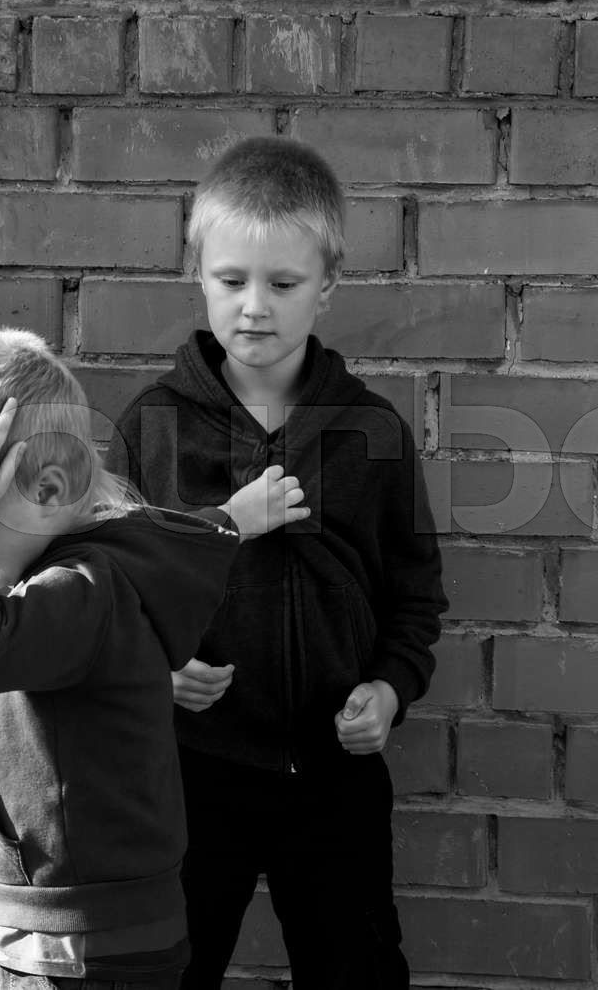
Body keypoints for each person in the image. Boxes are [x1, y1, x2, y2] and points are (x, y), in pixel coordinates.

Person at [107, 138, 448, 988]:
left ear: (327, 284)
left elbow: (415, 596)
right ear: (199, 274)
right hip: (189, 771)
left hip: (334, 774)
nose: (253, 307)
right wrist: (156, 668)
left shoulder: (371, 434)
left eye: (283, 284)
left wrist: (389, 689)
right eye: (231, 280)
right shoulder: (152, 427)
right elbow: (106, 593)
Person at [0, 328, 305, 989]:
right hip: (79, 934)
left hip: (82, 949)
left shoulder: (77, 589)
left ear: (49, 492)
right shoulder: (85, 579)